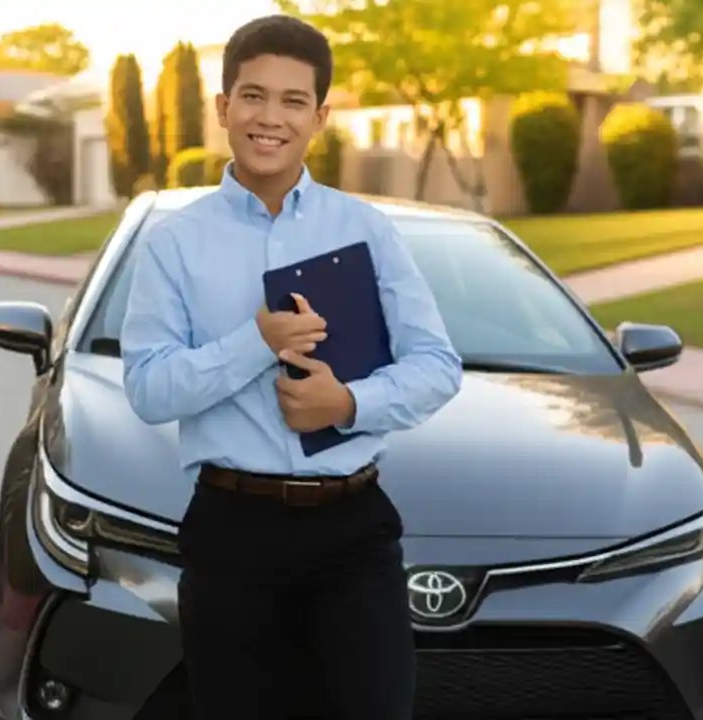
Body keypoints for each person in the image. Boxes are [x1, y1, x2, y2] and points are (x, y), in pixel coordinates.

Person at [118, 13, 462, 720]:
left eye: (292, 100)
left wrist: (348, 406)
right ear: (223, 107)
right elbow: (150, 389)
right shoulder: (173, 243)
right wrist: (257, 343)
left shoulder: (365, 229)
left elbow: (436, 364)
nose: (269, 117)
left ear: (320, 117)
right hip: (230, 534)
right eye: (252, 96)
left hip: (352, 532)